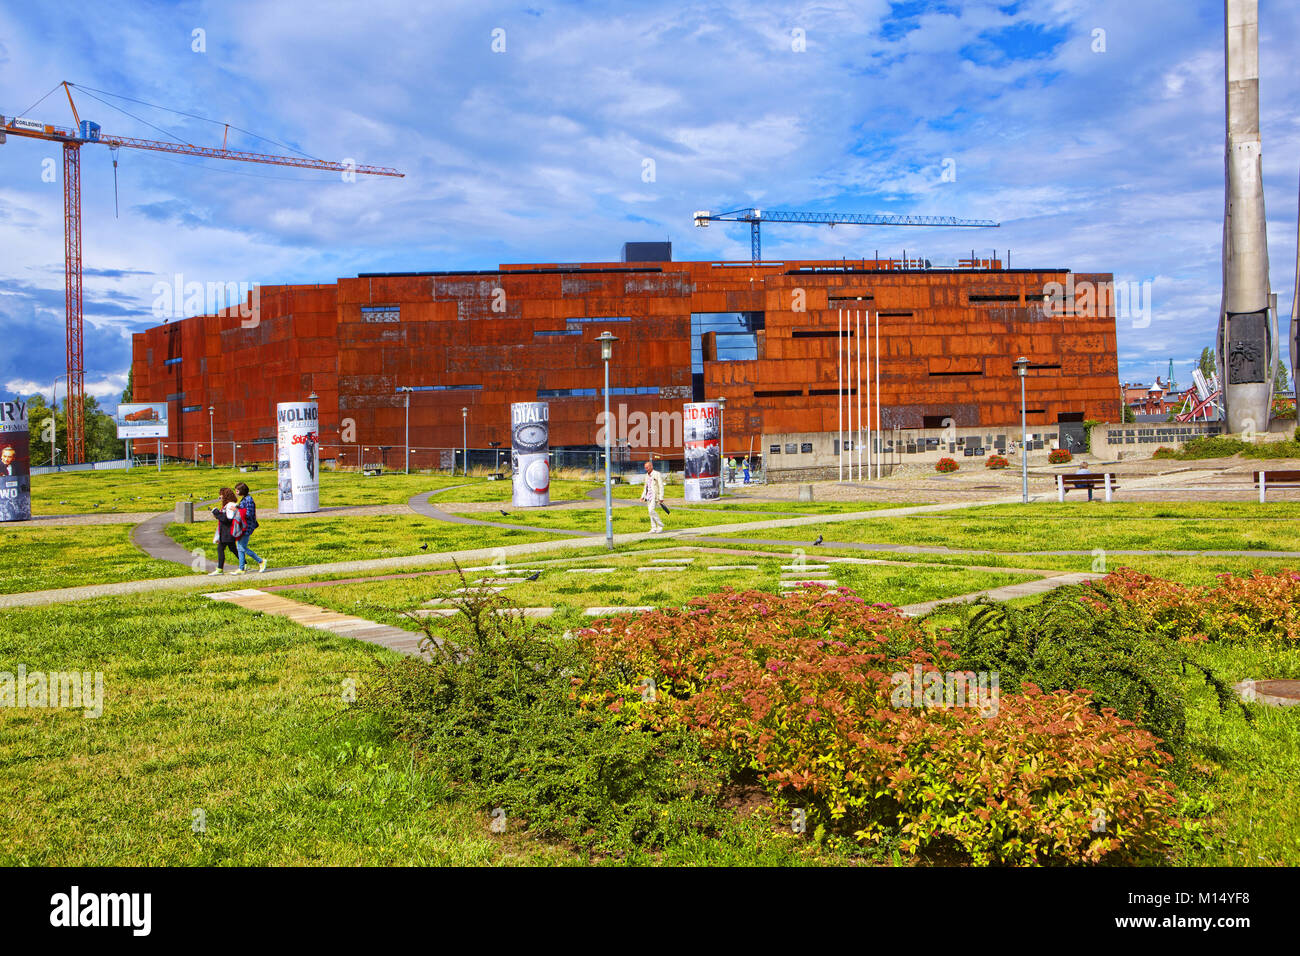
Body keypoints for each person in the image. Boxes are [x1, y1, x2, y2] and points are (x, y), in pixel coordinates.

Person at [234, 481, 268, 573]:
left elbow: (249, 514)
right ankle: (241, 568)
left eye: (237, 491)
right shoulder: (244, 499)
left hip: (247, 526)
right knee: (239, 547)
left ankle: (260, 561)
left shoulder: (249, 500)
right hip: (242, 526)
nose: (236, 493)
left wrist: (238, 509)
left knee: (242, 547)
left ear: (241, 490)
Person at [209, 487, 241, 574]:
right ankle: (244, 564)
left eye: (221, 495)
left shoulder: (230, 505)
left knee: (221, 548)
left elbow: (227, 519)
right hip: (226, 531)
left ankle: (220, 568)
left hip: (227, 532)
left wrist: (217, 513)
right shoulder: (228, 505)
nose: (220, 497)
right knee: (233, 549)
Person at [641, 460, 666, 533]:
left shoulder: (657, 474)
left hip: (655, 496)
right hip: (648, 496)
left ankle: (660, 524)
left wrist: (661, 497)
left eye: (647, 467)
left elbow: (661, 486)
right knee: (650, 512)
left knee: (651, 510)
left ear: (651, 466)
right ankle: (653, 528)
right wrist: (643, 496)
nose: (646, 469)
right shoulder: (646, 475)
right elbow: (646, 486)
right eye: (645, 468)